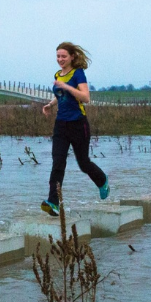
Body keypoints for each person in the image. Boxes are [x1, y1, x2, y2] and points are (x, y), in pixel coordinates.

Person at [40, 42, 109, 216]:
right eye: (58, 56)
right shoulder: (58, 74)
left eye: (63, 56)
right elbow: (61, 95)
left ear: (72, 57)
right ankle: (53, 203)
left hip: (78, 124)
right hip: (61, 125)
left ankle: (102, 181)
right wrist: (50, 104)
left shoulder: (78, 74)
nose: (60, 59)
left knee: (83, 163)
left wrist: (67, 86)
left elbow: (86, 98)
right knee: (58, 163)